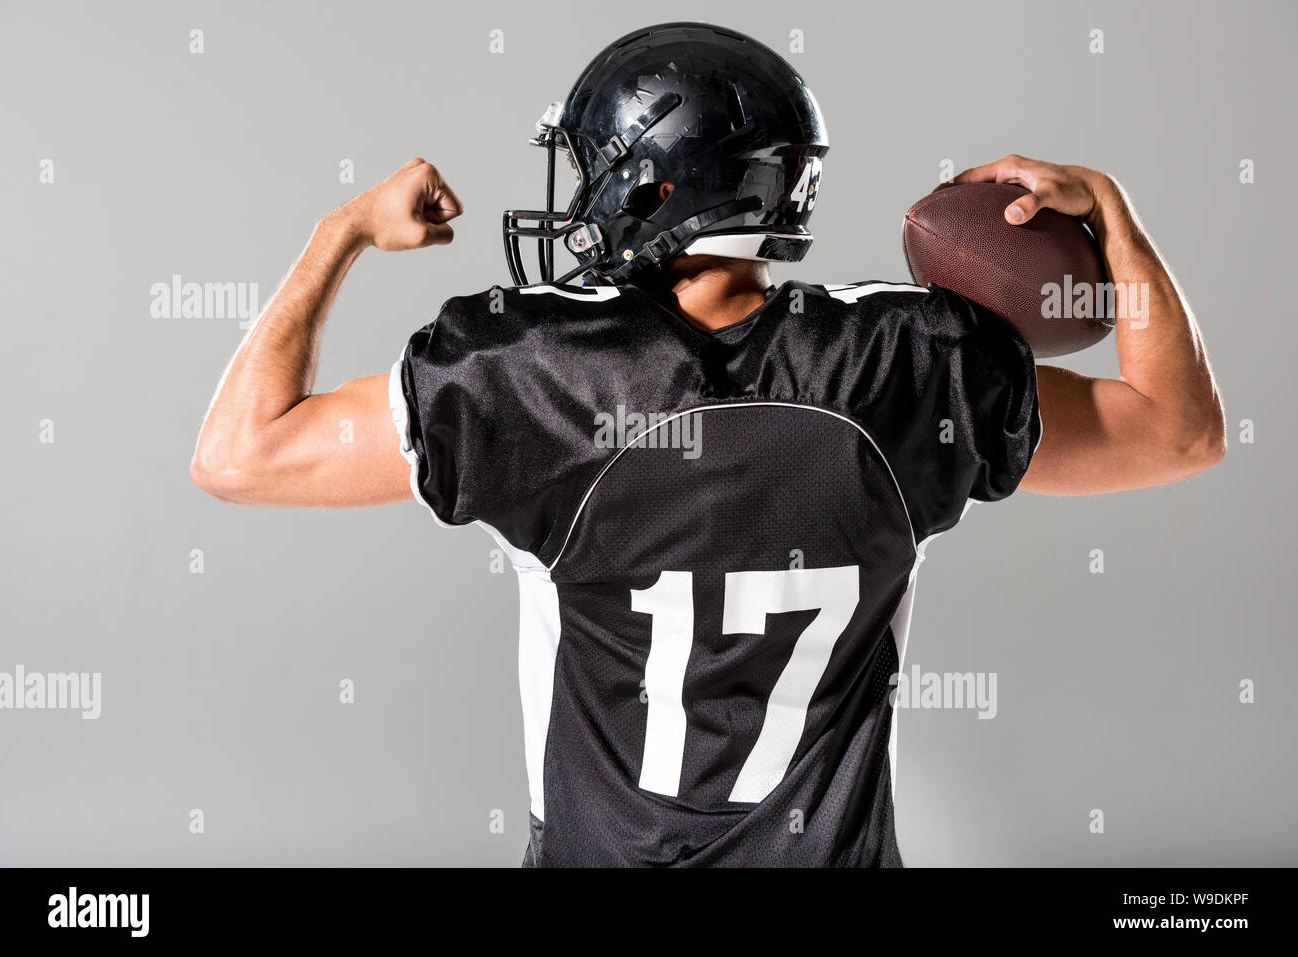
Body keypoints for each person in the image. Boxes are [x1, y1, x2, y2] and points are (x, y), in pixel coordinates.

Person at [190, 23, 1225, 866]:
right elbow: (1177, 434)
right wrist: (1112, 215)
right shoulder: (908, 367)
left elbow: (238, 456)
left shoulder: (527, 375)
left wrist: (343, 232)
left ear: (649, 187)